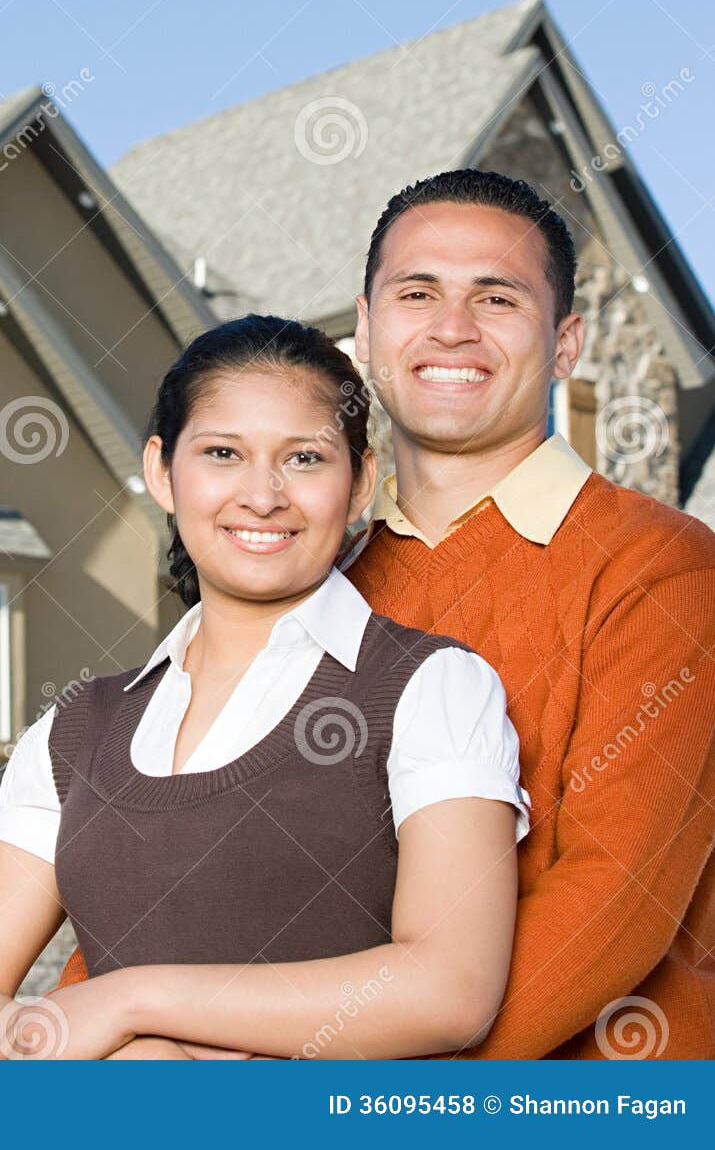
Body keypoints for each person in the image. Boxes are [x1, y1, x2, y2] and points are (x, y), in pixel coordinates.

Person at [52, 168, 715, 1060]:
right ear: (365, 331)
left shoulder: (662, 568)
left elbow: (613, 903)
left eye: (497, 298)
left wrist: (326, 1109)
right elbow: (167, 875)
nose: (452, 328)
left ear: (564, 344)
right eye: (416, 293)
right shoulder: (299, 579)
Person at [0, 314, 530, 1060]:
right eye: (222, 454)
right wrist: (64, 1051)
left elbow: (449, 992)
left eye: (304, 458)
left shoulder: (431, 687)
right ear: (161, 471)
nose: (262, 496)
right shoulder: (76, 731)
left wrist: (132, 1004)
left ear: (361, 481)